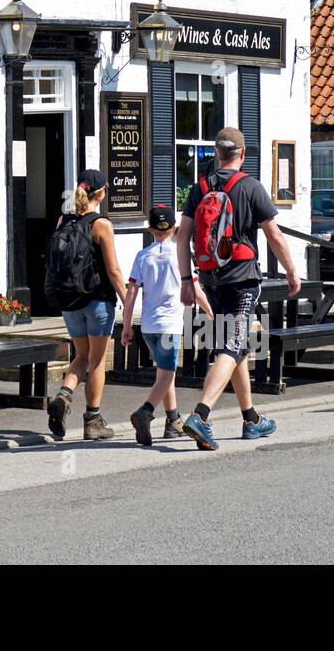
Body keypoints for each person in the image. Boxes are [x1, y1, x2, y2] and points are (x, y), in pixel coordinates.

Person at [177, 127, 301, 451]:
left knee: (236, 344)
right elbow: (273, 235)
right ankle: (201, 415)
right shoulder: (250, 187)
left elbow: (182, 237)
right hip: (242, 279)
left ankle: (251, 419)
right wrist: (291, 270)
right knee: (232, 346)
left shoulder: (199, 188)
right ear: (242, 154)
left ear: (217, 154)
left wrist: (186, 281)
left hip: (209, 278)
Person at [45, 169, 129, 441]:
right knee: (95, 362)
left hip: (69, 301)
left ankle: (63, 397)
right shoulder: (101, 225)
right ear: (102, 193)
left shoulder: (63, 220)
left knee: (80, 357)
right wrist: (128, 301)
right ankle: (93, 421)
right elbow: (114, 271)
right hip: (97, 301)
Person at [121, 204, 211, 445]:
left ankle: (173, 421)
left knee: (164, 372)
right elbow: (196, 290)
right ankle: (145, 412)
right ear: (176, 229)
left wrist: (127, 326)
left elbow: (131, 293)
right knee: (167, 374)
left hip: (148, 326)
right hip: (170, 326)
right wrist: (210, 312)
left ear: (150, 229)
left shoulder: (142, 256)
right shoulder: (180, 257)